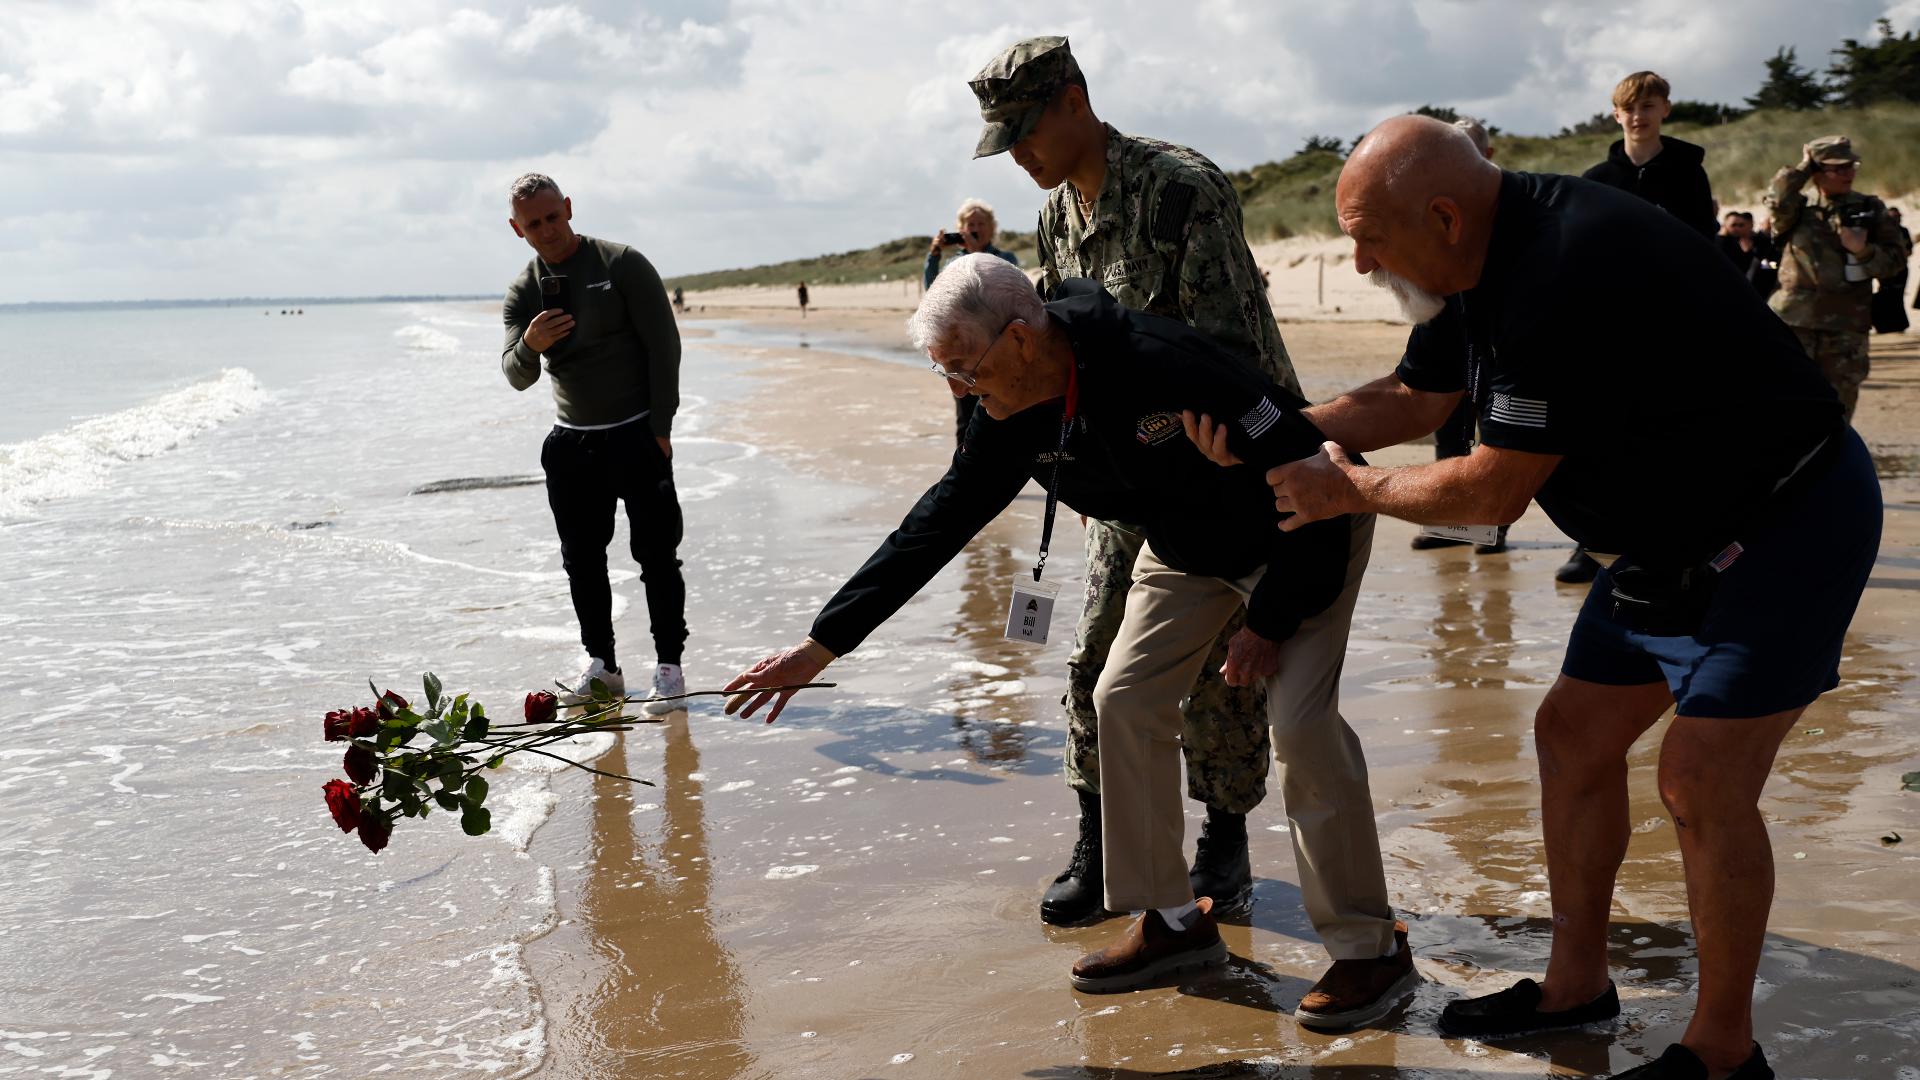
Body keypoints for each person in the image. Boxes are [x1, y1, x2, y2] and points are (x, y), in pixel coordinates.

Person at [1189, 115, 1874, 1079]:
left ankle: (1722, 1053)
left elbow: (1490, 491)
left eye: (1366, 238)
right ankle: (1573, 988)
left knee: (1700, 777)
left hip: (1785, 522)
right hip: (1668, 539)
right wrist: (1280, 433)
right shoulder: (1471, 260)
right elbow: (1416, 403)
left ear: (1442, 215)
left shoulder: (1562, 267)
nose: (1355, 262)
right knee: (1572, 736)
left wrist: (1345, 490)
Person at [725, 254, 1411, 1029]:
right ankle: (1173, 923)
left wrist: (1268, 623)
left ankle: (1369, 951)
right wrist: (821, 647)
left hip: (1301, 532)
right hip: (1188, 551)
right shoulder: (1009, 408)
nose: (959, 390)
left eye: (965, 368)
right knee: (1122, 698)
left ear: (1020, 340)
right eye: (945, 372)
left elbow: (1311, 471)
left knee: (1302, 724)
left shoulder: (1165, 363)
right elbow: (938, 521)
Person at [968, 34, 1299, 932]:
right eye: (1007, 143)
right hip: (1123, 466)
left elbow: (1230, 351)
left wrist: (1215, 451)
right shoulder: (1054, 219)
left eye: (1028, 132)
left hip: (1226, 464)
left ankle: (1223, 840)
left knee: (1223, 675)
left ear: (1076, 100)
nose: (1022, 156)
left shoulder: (1179, 189)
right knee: (1093, 664)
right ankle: (1102, 844)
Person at [501, 173, 689, 714]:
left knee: (657, 557)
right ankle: (603, 667)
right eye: (533, 224)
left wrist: (661, 427)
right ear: (518, 229)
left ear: (568, 208)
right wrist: (531, 344)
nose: (547, 230)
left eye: (552, 216)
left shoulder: (621, 263)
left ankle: (669, 669)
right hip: (572, 446)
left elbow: (664, 347)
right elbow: (516, 376)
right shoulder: (524, 291)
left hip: (636, 433)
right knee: (582, 562)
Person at [1410, 116, 1508, 556]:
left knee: (1493, 432)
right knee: (1447, 428)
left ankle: (1492, 525)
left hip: (1491, 337)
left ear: (1486, 157)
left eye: (1466, 151)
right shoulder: (1428, 205)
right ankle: (1450, 523)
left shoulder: (1503, 206)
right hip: (1443, 325)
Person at [1766, 135, 1909, 422]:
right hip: (1795, 322)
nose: (1848, 173)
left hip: (1845, 326)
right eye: (1838, 168)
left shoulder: (1870, 208)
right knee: (1786, 405)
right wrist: (1803, 167)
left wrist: (1864, 251)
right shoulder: (1798, 210)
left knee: (1837, 412)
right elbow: (1778, 201)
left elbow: (1895, 263)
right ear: (1818, 172)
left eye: (1851, 166)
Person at [926, 198, 1022, 443]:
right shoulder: (952, 263)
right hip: (963, 349)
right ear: (961, 229)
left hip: (997, 347)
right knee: (966, 418)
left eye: (981, 223)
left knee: (1002, 412)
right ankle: (965, 463)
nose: (975, 228)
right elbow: (935, 296)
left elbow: (1004, 295)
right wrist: (933, 257)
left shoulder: (1005, 258)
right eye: (970, 224)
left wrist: (977, 255)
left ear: (991, 228)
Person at [1581, 71, 1717, 238]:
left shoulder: (1689, 174)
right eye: (1629, 109)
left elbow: (1704, 241)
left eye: (1647, 106)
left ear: (1666, 108)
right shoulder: (1596, 180)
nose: (1638, 116)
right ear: (1617, 116)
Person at [1717, 211, 1779, 299]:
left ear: (1751, 224)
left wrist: (1763, 264)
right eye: (1733, 225)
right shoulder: (1724, 243)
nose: (1738, 228)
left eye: (1741, 225)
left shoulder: (1760, 241)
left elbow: (1774, 264)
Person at [1872, 206, 1910, 334]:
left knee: (1897, 296)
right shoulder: (1881, 232)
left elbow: (1909, 249)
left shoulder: (1903, 231)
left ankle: (1898, 325)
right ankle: (1883, 325)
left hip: (1901, 268)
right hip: (1885, 269)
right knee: (1885, 294)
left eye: (1898, 217)